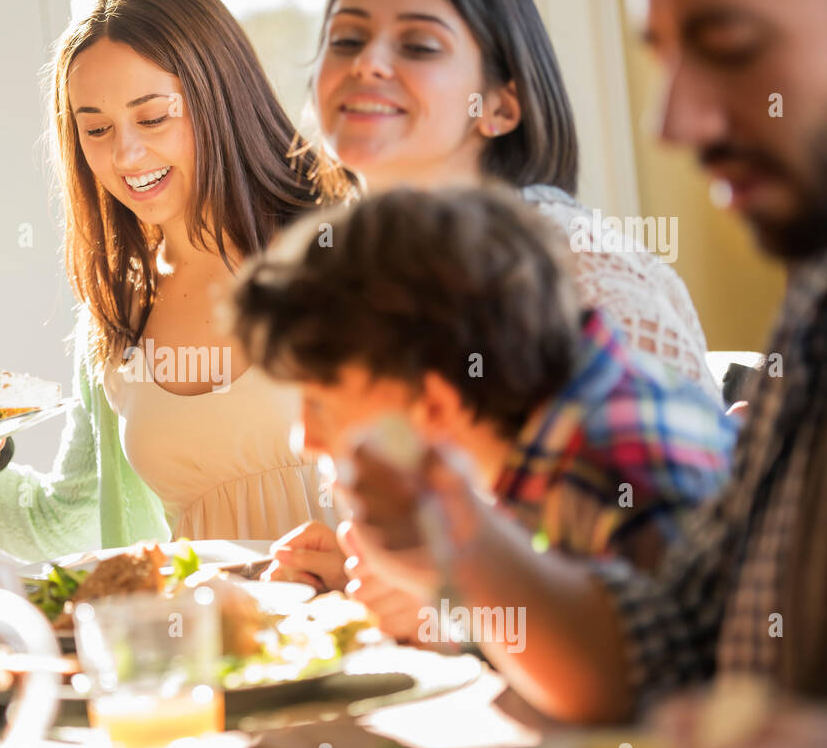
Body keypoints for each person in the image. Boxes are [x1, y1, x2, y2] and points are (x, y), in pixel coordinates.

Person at [337, 0, 827, 748]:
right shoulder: (812, 302)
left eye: (729, 45)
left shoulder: (583, 271)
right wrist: (458, 544)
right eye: (666, 57)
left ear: (501, 105)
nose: (672, 123)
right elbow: (671, 642)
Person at [0, 0, 354, 560]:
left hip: (381, 632)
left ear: (220, 97)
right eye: (97, 128)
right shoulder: (116, 317)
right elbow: (64, 519)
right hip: (230, 644)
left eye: (153, 117)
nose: (126, 154)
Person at [233, 188, 734, 594]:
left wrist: (451, 592)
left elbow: (628, 688)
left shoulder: (609, 470)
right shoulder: (548, 443)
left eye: (320, 402)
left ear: (435, 403)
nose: (305, 439)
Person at [312, 0, 715, 395]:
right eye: (345, 39)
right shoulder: (343, 268)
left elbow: (683, 462)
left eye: (420, 45)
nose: (366, 63)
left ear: (500, 108)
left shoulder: (578, 271)